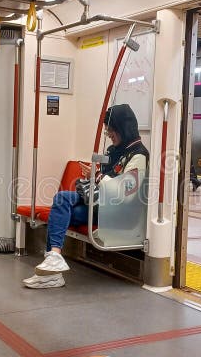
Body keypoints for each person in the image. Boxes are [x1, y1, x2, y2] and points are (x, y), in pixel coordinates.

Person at [23, 104, 149, 289]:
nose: (109, 134)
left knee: (61, 210)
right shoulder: (115, 150)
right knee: (61, 201)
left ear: (123, 128)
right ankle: (53, 261)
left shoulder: (138, 155)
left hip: (114, 211)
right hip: (100, 202)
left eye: (111, 130)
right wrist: (94, 175)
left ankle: (53, 269)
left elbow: (125, 193)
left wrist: (96, 176)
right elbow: (106, 178)